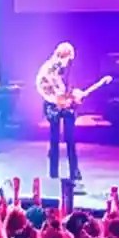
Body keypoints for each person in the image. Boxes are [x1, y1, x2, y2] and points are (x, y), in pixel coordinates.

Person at [35, 41, 82, 183]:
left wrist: (74, 96)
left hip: (67, 105)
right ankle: (53, 173)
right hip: (53, 105)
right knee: (54, 139)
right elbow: (42, 86)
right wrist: (57, 99)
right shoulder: (48, 68)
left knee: (70, 139)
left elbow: (72, 86)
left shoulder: (69, 69)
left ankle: (74, 171)